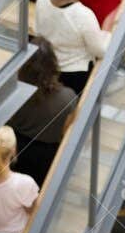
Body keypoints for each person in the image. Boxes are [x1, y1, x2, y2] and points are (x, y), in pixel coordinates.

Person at [32, 0, 108, 95]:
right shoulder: (84, 15)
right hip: (74, 74)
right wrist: (108, 35)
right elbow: (99, 50)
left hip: (47, 66)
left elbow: (38, 29)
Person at [7, 37, 77, 183]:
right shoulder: (67, 97)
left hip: (14, 147)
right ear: (53, 64)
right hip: (46, 155)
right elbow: (65, 131)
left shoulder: (13, 91)